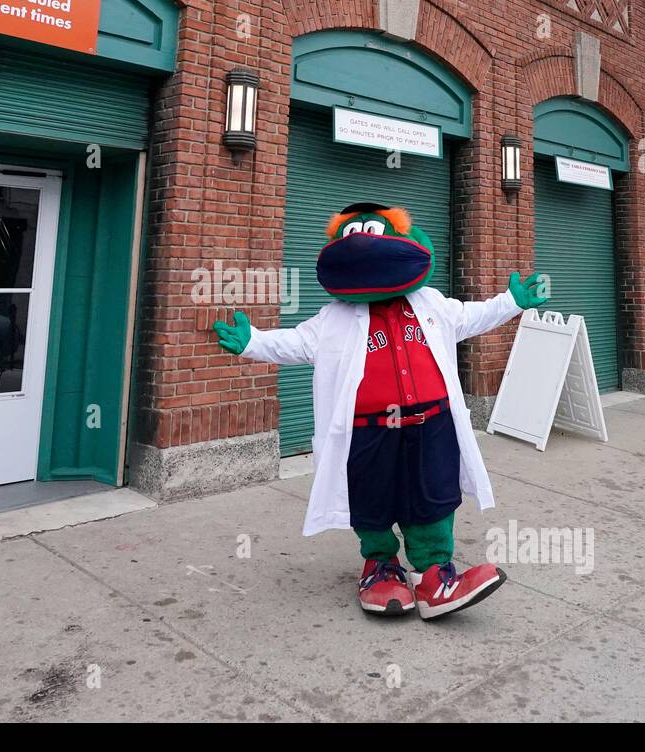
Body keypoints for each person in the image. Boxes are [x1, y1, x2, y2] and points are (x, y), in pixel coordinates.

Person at [214, 202, 548, 620]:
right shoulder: (334, 318)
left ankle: (434, 576)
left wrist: (510, 301)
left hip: (432, 426)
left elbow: (472, 317)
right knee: (369, 501)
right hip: (368, 432)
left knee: (434, 499)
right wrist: (253, 342)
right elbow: (296, 344)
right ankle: (380, 568)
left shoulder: (431, 303)